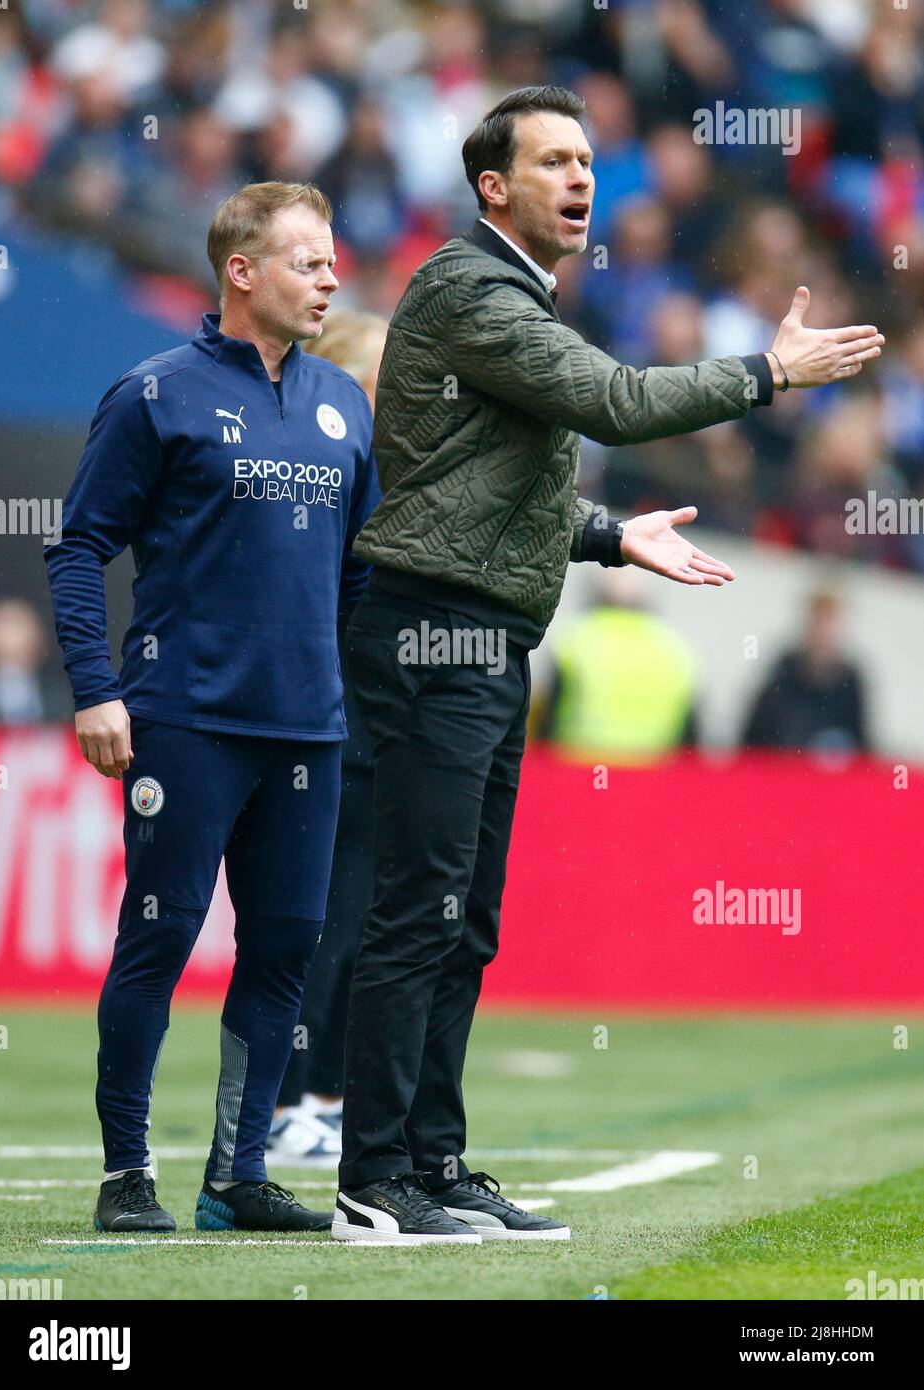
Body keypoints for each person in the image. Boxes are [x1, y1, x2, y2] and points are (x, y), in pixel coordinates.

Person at [331, 85, 885, 1245]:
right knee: (416, 912)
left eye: (588, 160)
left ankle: (433, 1159)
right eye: (554, 162)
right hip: (435, 628)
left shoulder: (506, 297)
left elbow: (474, 480)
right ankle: (373, 1174)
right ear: (495, 187)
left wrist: (602, 532)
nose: (583, 179)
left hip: (486, 631)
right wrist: (765, 374)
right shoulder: (470, 285)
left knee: (462, 919)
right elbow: (615, 400)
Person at [43, 180, 381, 1234]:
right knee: (160, 939)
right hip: (185, 719)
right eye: (306, 260)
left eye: (332, 260)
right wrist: (98, 688)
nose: (330, 277)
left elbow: (356, 571)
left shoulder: (345, 402)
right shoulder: (156, 393)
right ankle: (126, 1174)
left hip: (309, 730)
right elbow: (78, 545)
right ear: (242, 271)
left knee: (283, 948)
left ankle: (237, 1175)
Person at [266, 311, 388, 1166]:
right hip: (329, 722)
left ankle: (326, 1094)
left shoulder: (383, 469)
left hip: (379, 724)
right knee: (319, 925)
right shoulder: (323, 473)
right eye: (381, 370)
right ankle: (283, 1101)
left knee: (361, 922)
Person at [537, 567, 698, 763]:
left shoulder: (573, 639)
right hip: (652, 778)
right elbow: (691, 739)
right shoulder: (675, 648)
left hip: (578, 771)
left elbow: (544, 721)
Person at [741, 589, 869, 753]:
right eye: (818, 623)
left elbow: (863, 748)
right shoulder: (782, 676)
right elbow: (753, 740)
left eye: (829, 624)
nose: (823, 633)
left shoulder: (851, 684)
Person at [0, 598, 69, 724]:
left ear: (40, 641)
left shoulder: (61, 696)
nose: (11, 636)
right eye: (6, 624)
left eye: (17, 625)